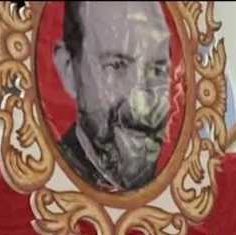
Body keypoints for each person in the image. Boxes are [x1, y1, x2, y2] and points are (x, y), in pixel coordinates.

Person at [52, 1, 172, 192]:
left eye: (157, 70)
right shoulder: (48, 185)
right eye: (117, 66)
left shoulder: (176, 182)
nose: (142, 106)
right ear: (69, 69)